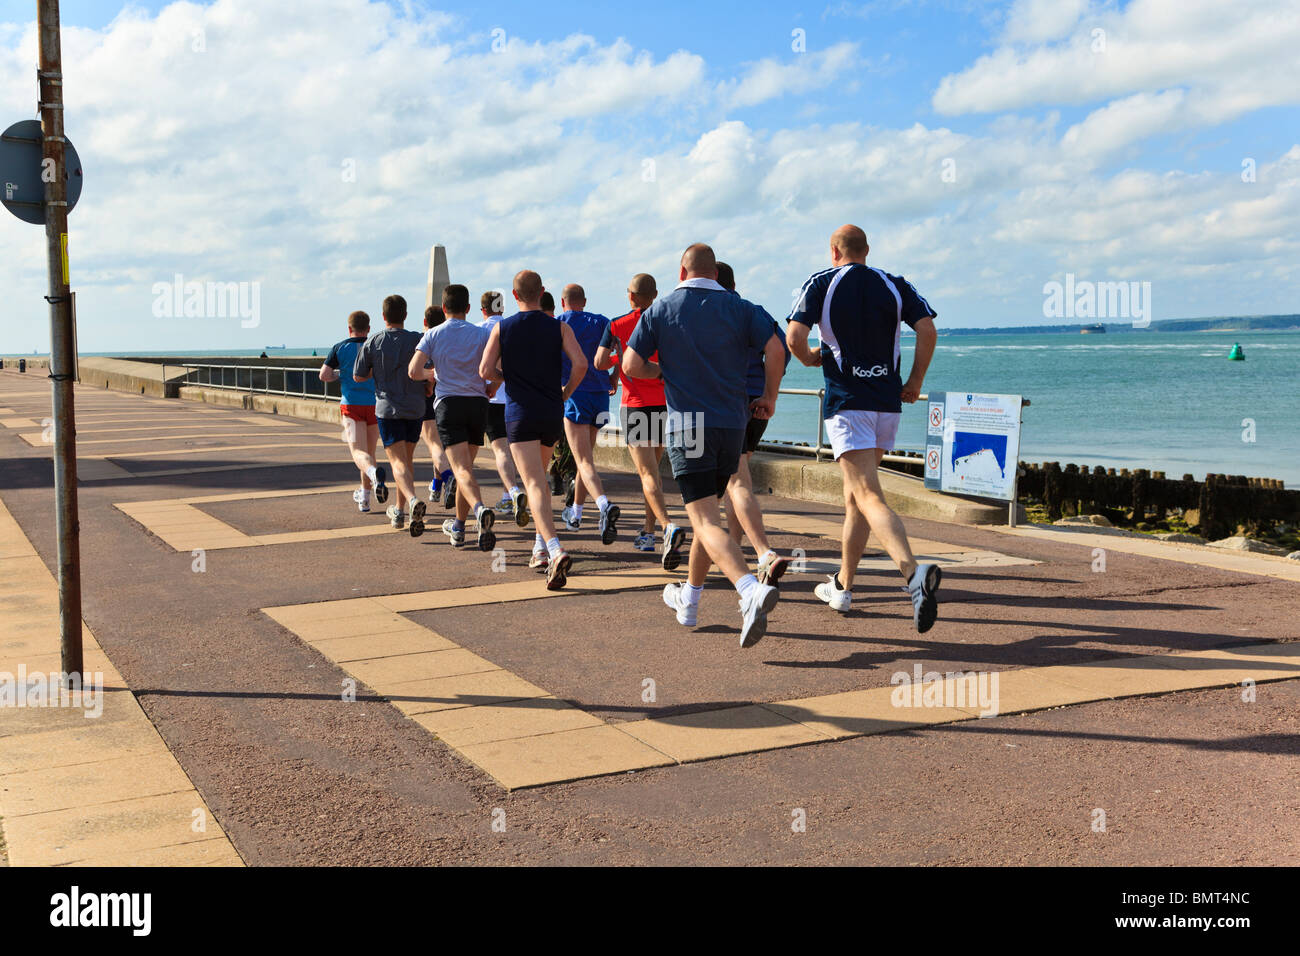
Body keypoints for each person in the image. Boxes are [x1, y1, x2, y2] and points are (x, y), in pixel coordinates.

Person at [624, 243, 787, 648]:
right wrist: (770, 396)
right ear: (714, 273)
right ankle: (690, 600)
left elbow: (628, 365)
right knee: (707, 515)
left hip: (689, 425)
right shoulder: (742, 307)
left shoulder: (662, 309)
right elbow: (776, 349)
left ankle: (748, 589)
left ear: (682, 272)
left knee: (704, 521)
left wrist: (664, 371)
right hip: (733, 424)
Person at [786, 223, 942, 631]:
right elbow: (927, 330)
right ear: (867, 250)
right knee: (855, 496)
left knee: (868, 494)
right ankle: (843, 584)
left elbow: (794, 336)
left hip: (848, 402)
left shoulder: (820, 282)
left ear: (833, 251)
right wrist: (914, 382)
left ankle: (912, 574)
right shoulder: (894, 284)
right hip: (885, 403)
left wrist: (807, 359)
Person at [479, 270, 589, 589]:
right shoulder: (559, 326)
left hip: (521, 413)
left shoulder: (503, 328)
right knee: (539, 480)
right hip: (552, 410)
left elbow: (484, 370)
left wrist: (509, 376)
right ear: (542, 292)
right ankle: (539, 548)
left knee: (534, 484)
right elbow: (581, 364)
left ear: (514, 295)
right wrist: (565, 392)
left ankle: (554, 549)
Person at [594, 273, 686, 569]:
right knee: (654, 476)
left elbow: (598, 361)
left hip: (634, 406)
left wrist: (619, 359)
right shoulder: (666, 321)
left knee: (647, 476)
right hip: (664, 406)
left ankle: (668, 527)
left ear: (630, 296)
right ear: (655, 295)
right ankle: (649, 533)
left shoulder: (616, 325)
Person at [715, 261, 792, 586]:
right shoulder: (754, 311)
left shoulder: (715, 314)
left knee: (735, 484)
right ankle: (734, 550)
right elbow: (783, 351)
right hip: (757, 404)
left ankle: (763, 554)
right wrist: (768, 392)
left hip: (728, 404)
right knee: (738, 477)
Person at [408, 285, 497, 552]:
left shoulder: (433, 334)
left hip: (449, 405)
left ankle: (480, 510)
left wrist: (430, 374)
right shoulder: (482, 334)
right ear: (468, 308)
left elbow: (414, 371)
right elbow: (493, 369)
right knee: (465, 470)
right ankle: (458, 526)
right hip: (478, 405)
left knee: (461, 471)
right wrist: (491, 385)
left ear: (444, 308)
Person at [353, 294, 427, 537]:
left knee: (397, 463)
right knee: (406, 461)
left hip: (388, 408)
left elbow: (358, 375)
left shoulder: (373, 341)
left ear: (383, 317)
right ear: (405, 315)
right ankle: (399, 510)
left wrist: (378, 371)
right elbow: (427, 372)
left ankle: (413, 500)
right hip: (415, 408)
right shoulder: (418, 339)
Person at [556, 283, 620, 544]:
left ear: (563, 302)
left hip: (575, 394)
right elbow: (622, 349)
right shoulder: (603, 321)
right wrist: (615, 377)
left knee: (583, 460)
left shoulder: (559, 322)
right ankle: (576, 514)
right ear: (585, 300)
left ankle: (604, 506)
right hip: (600, 395)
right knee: (586, 459)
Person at [319, 310, 387, 512]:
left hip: (351, 405)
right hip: (374, 404)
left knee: (358, 453)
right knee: (370, 453)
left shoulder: (339, 348)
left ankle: (374, 477)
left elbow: (324, 375)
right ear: (368, 329)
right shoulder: (375, 345)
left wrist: (340, 376)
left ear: (349, 328)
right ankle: (365, 499)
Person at [478, 291, 529, 527]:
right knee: (518, 450)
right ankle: (520, 492)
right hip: (517, 398)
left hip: (492, 400)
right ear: (502, 307)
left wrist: (492, 385)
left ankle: (511, 493)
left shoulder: (479, 330)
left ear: (483, 309)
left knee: (501, 451)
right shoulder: (514, 327)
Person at [420, 305, 455, 509]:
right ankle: (436, 484)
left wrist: (429, 384)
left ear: (425, 322)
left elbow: (426, 369)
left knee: (434, 445)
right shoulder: (447, 340)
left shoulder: (426, 340)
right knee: (440, 445)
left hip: (430, 398)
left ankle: (449, 478)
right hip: (449, 396)